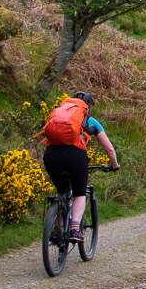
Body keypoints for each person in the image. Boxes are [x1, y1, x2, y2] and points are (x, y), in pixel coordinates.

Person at [40, 91, 120, 242]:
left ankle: (56, 230)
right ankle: (75, 229)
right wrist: (114, 165)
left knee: (62, 192)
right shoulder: (90, 120)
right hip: (75, 156)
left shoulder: (57, 115)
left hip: (51, 155)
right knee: (79, 192)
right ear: (88, 107)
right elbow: (109, 148)